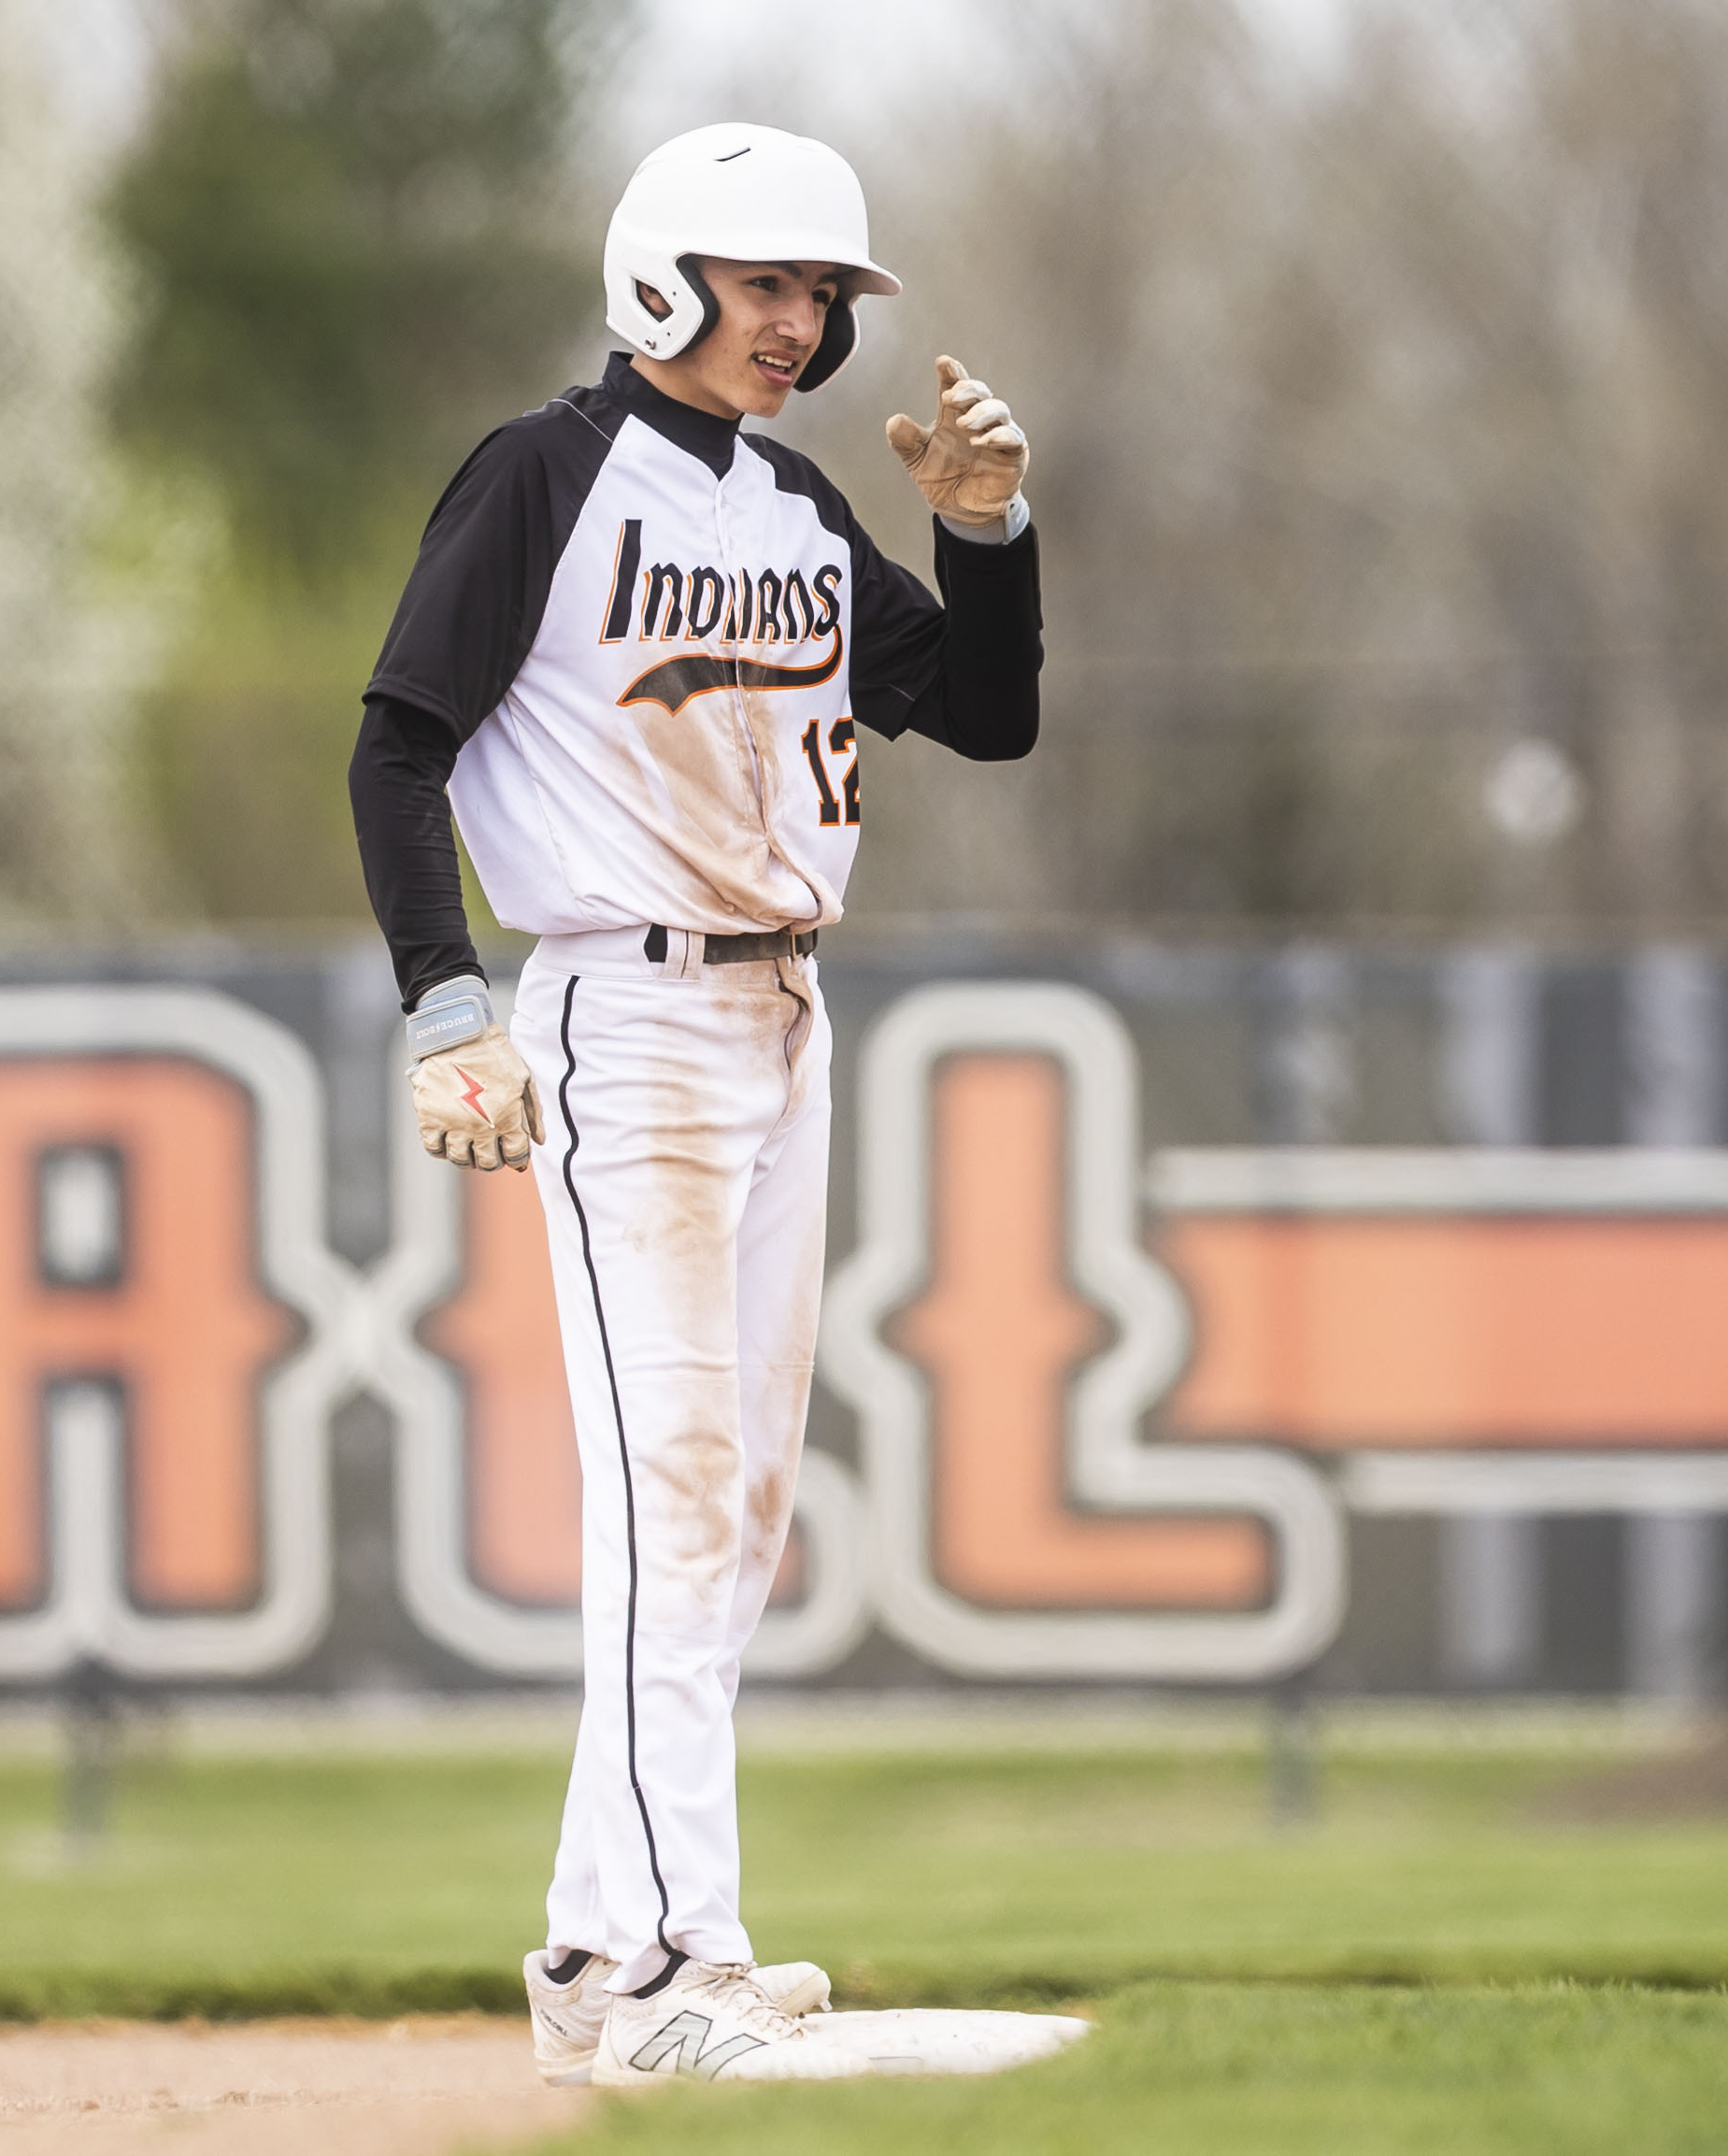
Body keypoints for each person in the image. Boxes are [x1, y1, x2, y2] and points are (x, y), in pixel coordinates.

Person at [349, 122, 1067, 2085]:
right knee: (671, 1498)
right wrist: (445, 1001)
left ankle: (604, 1942)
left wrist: (989, 532)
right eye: (766, 283)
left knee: (732, 1512)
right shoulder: (542, 474)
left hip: (777, 1010)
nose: (799, 321)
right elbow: (399, 745)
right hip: (628, 1006)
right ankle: (680, 1971)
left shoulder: (793, 501)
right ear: (660, 274)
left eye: (819, 292)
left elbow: (985, 712)